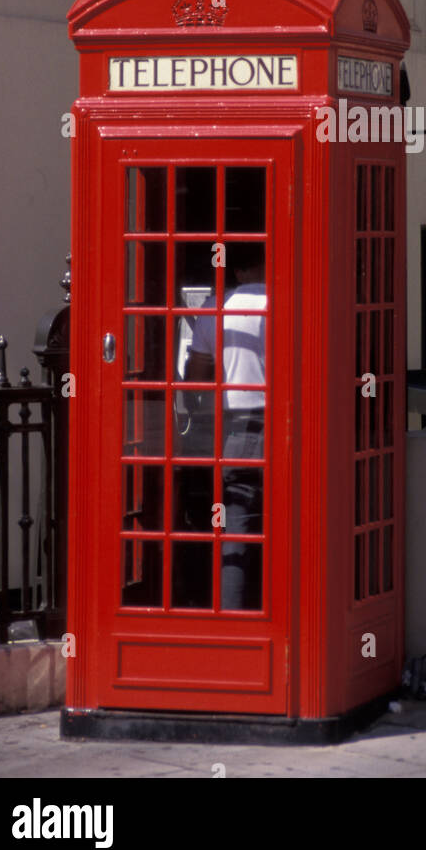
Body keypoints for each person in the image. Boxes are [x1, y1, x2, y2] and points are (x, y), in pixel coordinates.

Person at [185, 245, 266, 610]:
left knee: (236, 534)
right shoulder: (297, 302)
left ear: (237, 272)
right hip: (293, 426)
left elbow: (196, 381)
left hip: (238, 428)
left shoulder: (216, 308)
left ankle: (232, 621)